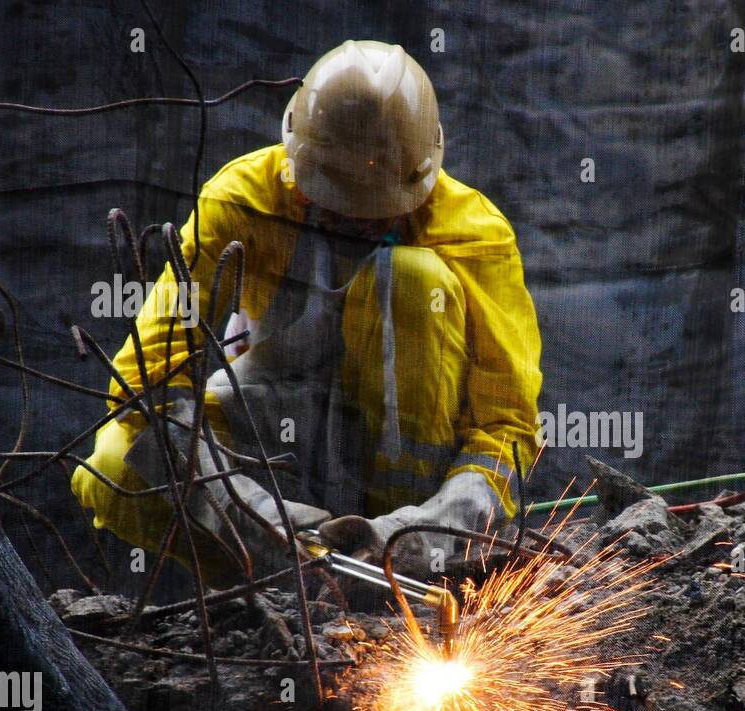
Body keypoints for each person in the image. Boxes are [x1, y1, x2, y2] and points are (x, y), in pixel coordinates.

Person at [71, 40, 542, 579]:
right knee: (112, 464)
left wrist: (416, 538)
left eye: (377, 211)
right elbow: (149, 380)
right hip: (279, 434)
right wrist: (264, 527)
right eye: (331, 206)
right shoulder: (242, 198)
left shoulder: (473, 233)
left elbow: (506, 428)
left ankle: (392, 577)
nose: (352, 225)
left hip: (409, 489)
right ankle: (293, 581)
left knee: (412, 279)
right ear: (294, 164)